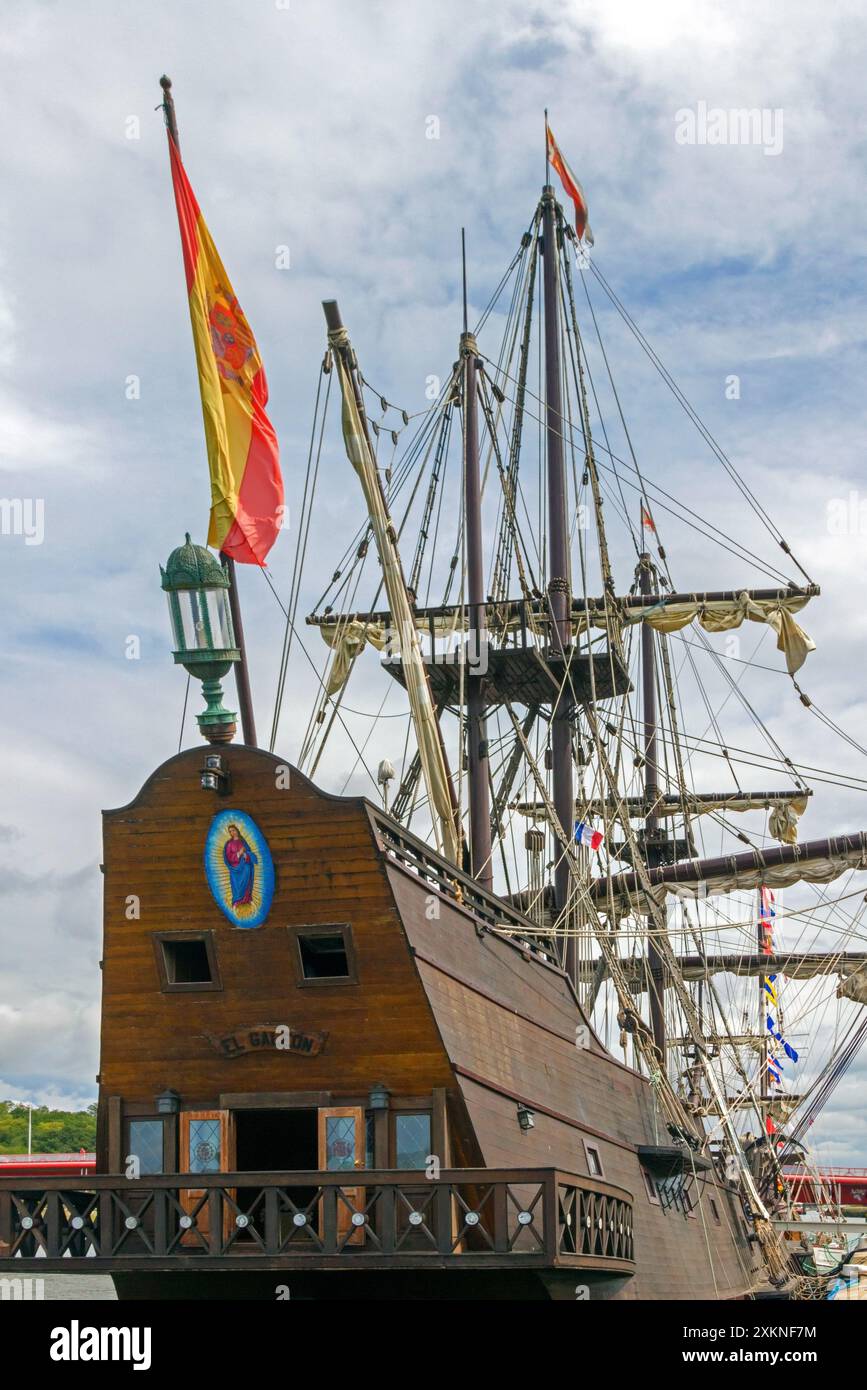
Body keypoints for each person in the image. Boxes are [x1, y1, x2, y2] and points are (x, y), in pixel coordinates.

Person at [223, 823, 257, 906]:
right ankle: (237, 900)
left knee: (247, 868)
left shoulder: (243, 841)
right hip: (235, 868)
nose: (232, 832)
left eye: (233, 830)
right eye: (230, 831)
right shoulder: (229, 844)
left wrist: (246, 855)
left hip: (244, 864)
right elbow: (228, 857)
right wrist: (239, 853)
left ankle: (247, 898)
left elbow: (249, 852)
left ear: (237, 830)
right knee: (237, 883)